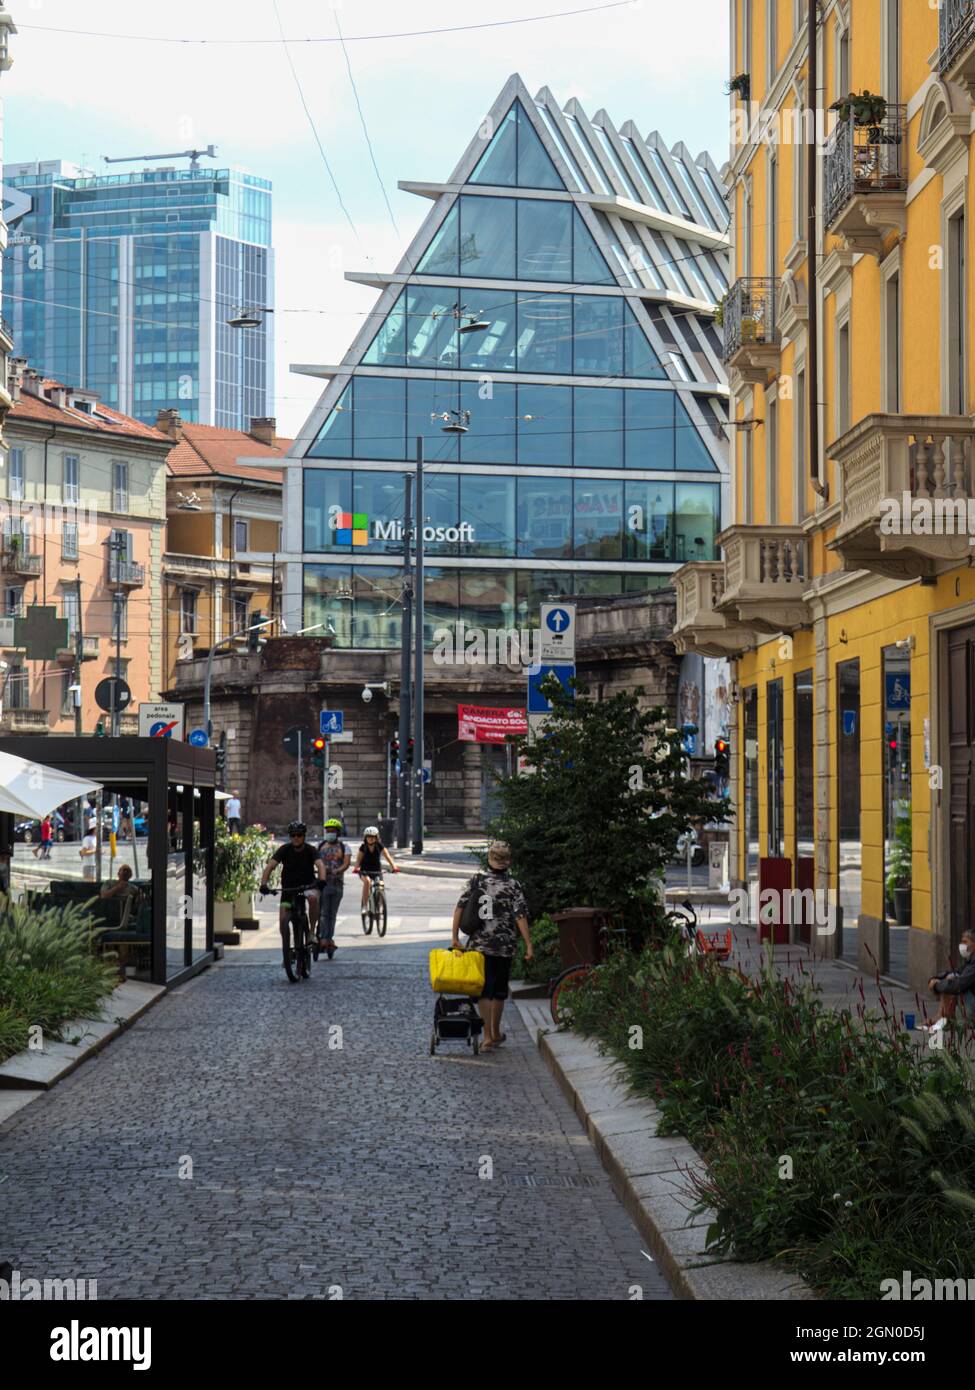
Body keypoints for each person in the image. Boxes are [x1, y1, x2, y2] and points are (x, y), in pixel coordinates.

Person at [452, 841, 532, 1053]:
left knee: (484, 991)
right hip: (504, 947)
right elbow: (520, 916)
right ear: (509, 861)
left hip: (480, 945)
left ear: (489, 859)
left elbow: (460, 907)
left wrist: (454, 937)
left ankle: (487, 1036)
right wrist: (529, 945)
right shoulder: (514, 885)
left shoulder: (478, 881)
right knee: (499, 991)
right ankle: (495, 1033)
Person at [259, 821, 325, 973]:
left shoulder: (310, 850)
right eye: (293, 835)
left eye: (299, 835)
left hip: (305, 888)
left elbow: (320, 865)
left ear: (304, 836)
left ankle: (312, 932)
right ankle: (287, 951)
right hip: (289, 889)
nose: (296, 838)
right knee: (283, 919)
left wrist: (321, 881)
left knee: (313, 898)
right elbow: (270, 866)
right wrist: (263, 884)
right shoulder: (284, 849)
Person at [314, 818, 349, 958]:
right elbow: (313, 860)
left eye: (332, 831)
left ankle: (328, 938)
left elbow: (346, 863)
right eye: (328, 831)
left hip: (337, 885)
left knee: (331, 914)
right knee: (322, 913)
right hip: (322, 884)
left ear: (338, 833)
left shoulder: (344, 847)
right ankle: (322, 938)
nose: (330, 833)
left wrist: (337, 870)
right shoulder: (319, 845)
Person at [925, 931, 975, 1030]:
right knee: (950, 979)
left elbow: (959, 984)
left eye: (965, 942)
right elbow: (956, 972)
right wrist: (937, 979)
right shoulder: (970, 961)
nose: (962, 945)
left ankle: (943, 1019)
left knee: (951, 985)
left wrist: (936, 985)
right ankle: (942, 1018)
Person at [353, 825, 398, 916]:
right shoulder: (363, 847)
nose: (371, 839)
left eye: (373, 837)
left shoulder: (379, 846)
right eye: (369, 837)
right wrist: (356, 868)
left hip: (377, 871)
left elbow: (387, 856)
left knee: (380, 885)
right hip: (365, 871)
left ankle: (381, 907)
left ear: (376, 838)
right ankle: (365, 906)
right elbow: (358, 860)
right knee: (368, 882)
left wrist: (394, 867)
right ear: (365, 838)